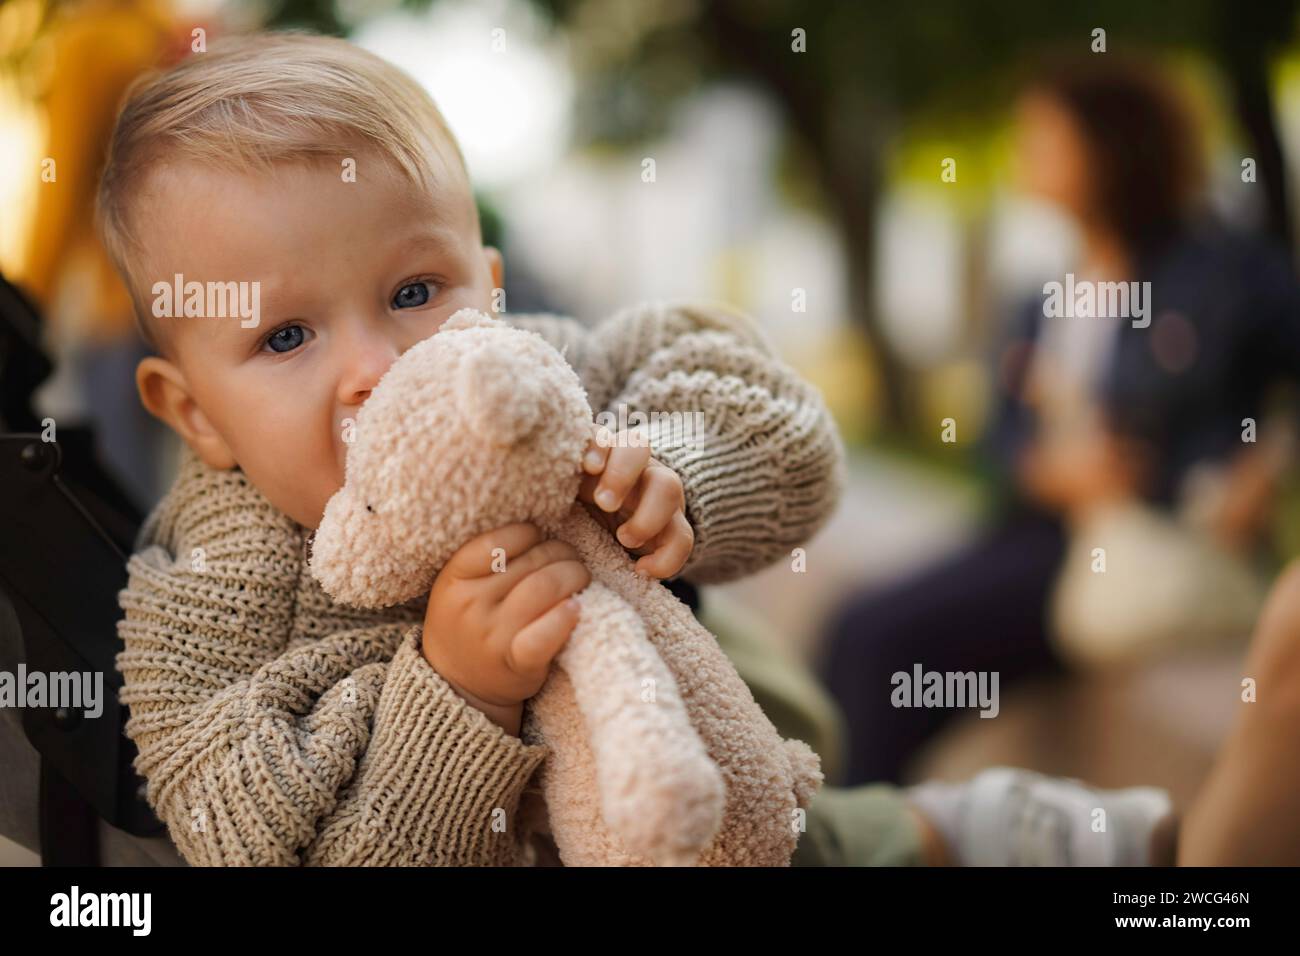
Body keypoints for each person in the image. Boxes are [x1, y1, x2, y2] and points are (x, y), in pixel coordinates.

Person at [104, 33, 1172, 866]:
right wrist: (456, 697)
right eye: (286, 336)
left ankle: (978, 825)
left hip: (748, 781)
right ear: (192, 410)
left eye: (414, 292)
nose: (376, 368)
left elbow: (780, 424)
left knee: (845, 845)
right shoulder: (206, 596)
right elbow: (251, 834)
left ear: (491, 283)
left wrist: (674, 469)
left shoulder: (543, 373)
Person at [819, 55, 1300, 786]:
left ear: (1111, 148)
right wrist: (1047, 467)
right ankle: (857, 827)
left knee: (881, 641)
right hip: (1041, 534)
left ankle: (858, 837)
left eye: (1045, 137)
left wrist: (1266, 462)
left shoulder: (1224, 272)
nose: (1024, 156)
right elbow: (999, 443)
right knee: (859, 630)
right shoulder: (1042, 296)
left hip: (1139, 540)